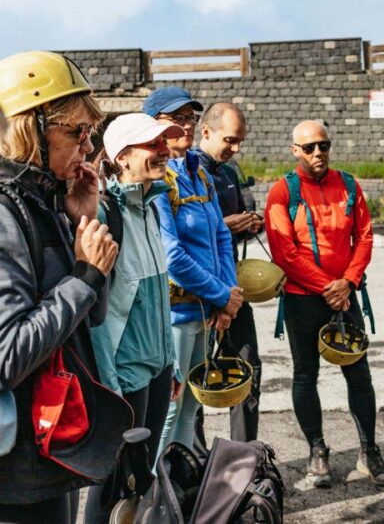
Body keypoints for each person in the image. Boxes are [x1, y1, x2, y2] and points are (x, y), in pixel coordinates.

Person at [0, 51, 119, 522]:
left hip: (51, 450)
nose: (88, 147)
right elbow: (7, 356)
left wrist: (84, 223)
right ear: (30, 130)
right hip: (15, 474)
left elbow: (93, 316)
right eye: (76, 132)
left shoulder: (46, 199)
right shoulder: (7, 213)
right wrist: (84, 275)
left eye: (90, 132)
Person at [265, 120, 384, 487]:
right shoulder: (281, 192)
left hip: (346, 296)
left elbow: (365, 236)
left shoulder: (349, 185)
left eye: (324, 145)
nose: (318, 153)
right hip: (303, 300)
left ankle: (369, 452)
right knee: (306, 375)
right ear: (295, 151)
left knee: (359, 374)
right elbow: (284, 252)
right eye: (309, 148)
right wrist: (329, 287)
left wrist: (349, 282)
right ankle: (317, 452)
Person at [83, 114, 183, 522]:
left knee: (139, 479)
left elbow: (157, 297)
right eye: (152, 145)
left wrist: (171, 362)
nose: (164, 151)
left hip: (157, 370)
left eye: (165, 143)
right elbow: (97, 314)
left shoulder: (153, 208)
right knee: (112, 483)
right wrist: (110, 385)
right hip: (125, 377)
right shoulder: (107, 215)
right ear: (122, 156)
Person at [143, 87, 242, 454]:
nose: (186, 126)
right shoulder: (157, 178)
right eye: (176, 119)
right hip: (177, 312)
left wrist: (228, 296)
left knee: (191, 405)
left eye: (189, 118)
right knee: (170, 407)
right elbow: (172, 255)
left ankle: (180, 481)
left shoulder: (197, 173)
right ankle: (156, 495)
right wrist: (222, 295)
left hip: (207, 309)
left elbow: (220, 235)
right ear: (152, 125)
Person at [196, 102, 262, 442]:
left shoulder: (230, 170)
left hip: (232, 289)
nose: (235, 149)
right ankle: (192, 463)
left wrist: (251, 224)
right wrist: (224, 225)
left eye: (240, 142)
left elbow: (245, 217)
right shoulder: (184, 173)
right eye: (230, 140)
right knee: (194, 381)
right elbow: (176, 239)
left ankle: (243, 458)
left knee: (248, 373)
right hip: (195, 293)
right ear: (205, 132)